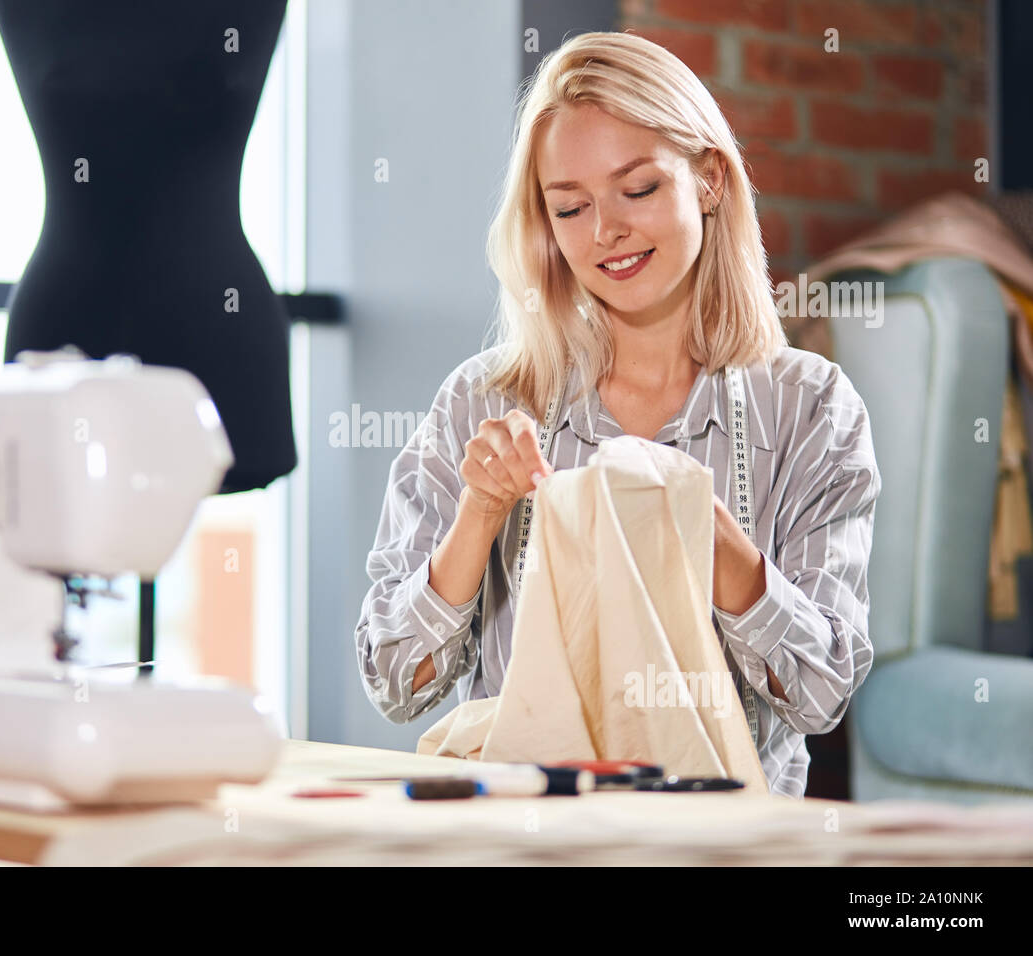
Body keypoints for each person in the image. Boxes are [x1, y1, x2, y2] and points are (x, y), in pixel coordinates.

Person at [353, 32, 881, 798]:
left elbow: (822, 690)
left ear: (708, 182)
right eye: (570, 207)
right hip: (521, 836)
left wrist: (700, 529)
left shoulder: (811, 410)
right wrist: (480, 515)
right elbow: (394, 682)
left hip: (717, 845)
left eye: (638, 191)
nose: (606, 232)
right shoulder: (483, 402)